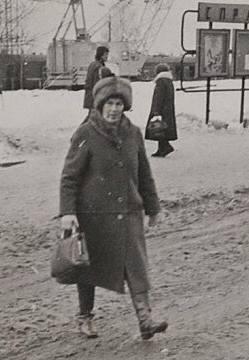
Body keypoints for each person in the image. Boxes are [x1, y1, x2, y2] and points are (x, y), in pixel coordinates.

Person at [59, 76, 168, 340]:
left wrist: (153, 207)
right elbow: (69, 177)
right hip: (94, 215)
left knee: (137, 266)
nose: (114, 108)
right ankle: (85, 317)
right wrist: (68, 212)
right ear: (100, 104)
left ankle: (145, 320)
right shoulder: (86, 134)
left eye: (119, 103)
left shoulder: (133, 134)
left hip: (129, 211)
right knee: (87, 268)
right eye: (109, 102)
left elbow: (144, 174)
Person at [145, 63, 177, 157]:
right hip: (167, 109)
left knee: (159, 128)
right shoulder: (169, 81)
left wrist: (156, 110)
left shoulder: (161, 81)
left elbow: (158, 97)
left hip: (161, 109)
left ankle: (165, 147)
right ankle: (161, 148)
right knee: (162, 129)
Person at [83, 45, 110, 114]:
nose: (107, 56)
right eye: (105, 54)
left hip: (91, 96)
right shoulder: (98, 66)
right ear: (101, 55)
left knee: (93, 117)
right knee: (94, 118)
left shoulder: (94, 64)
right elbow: (98, 83)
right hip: (95, 97)